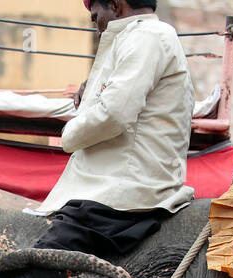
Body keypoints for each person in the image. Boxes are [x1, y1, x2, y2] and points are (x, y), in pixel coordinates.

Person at [33, 0, 195, 256]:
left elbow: (114, 115)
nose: (97, 27)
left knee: (32, 268)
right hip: (114, 191)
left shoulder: (147, 36)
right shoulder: (139, 38)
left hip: (124, 195)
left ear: (116, 5)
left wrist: (69, 134)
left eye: (96, 16)